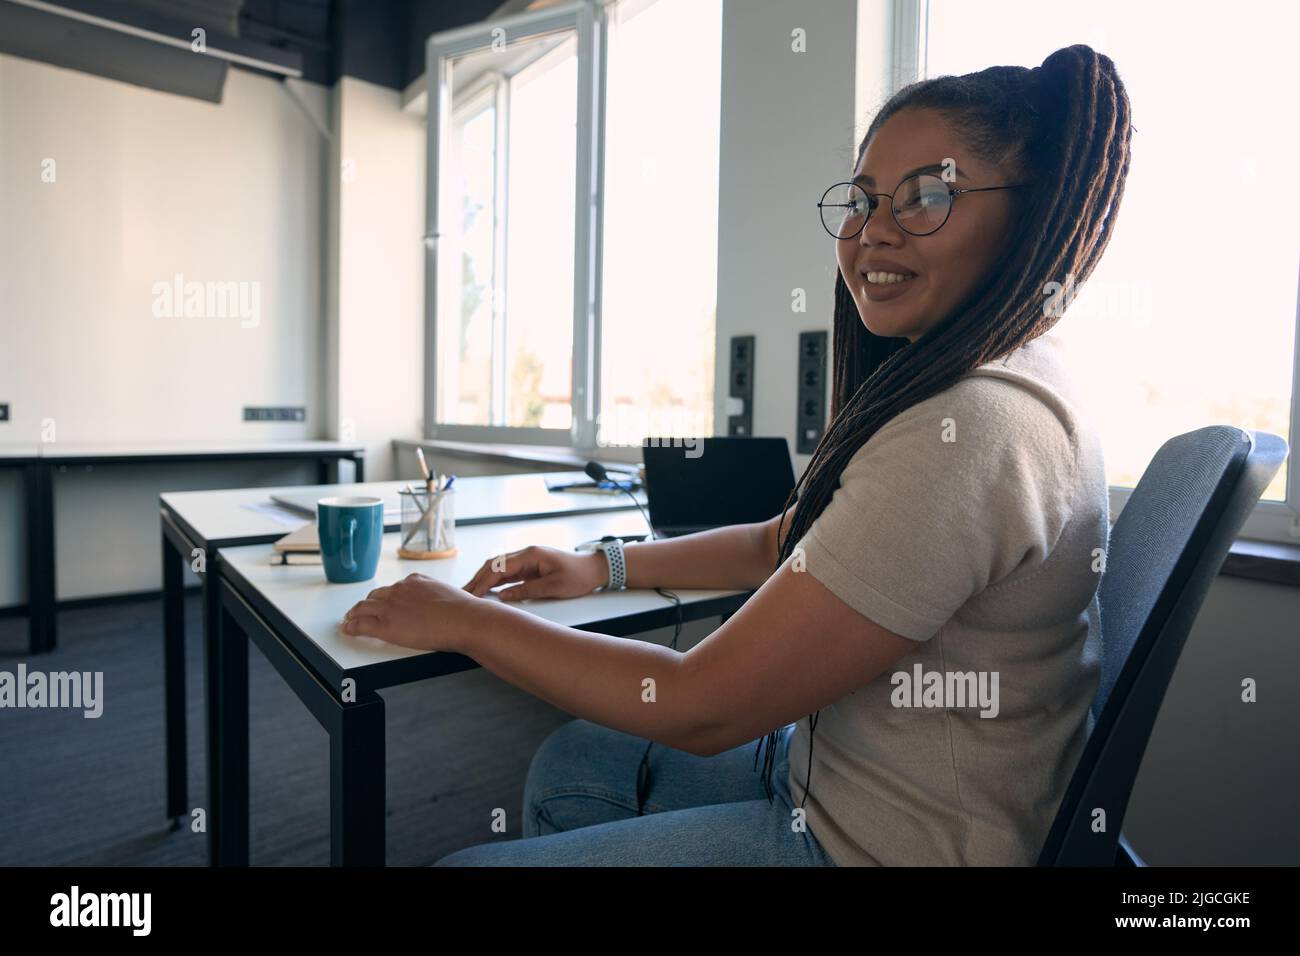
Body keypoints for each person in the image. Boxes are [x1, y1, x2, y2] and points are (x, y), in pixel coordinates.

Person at [340, 42, 1131, 866]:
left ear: (1030, 216)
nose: (873, 234)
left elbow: (702, 704)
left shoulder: (974, 430)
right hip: (839, 776)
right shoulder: (992, 381)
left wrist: (467, 620)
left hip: (885, 845)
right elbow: (777, 541)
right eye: (861, 201)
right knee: (573, 761)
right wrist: (602, 565)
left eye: (927, 196)